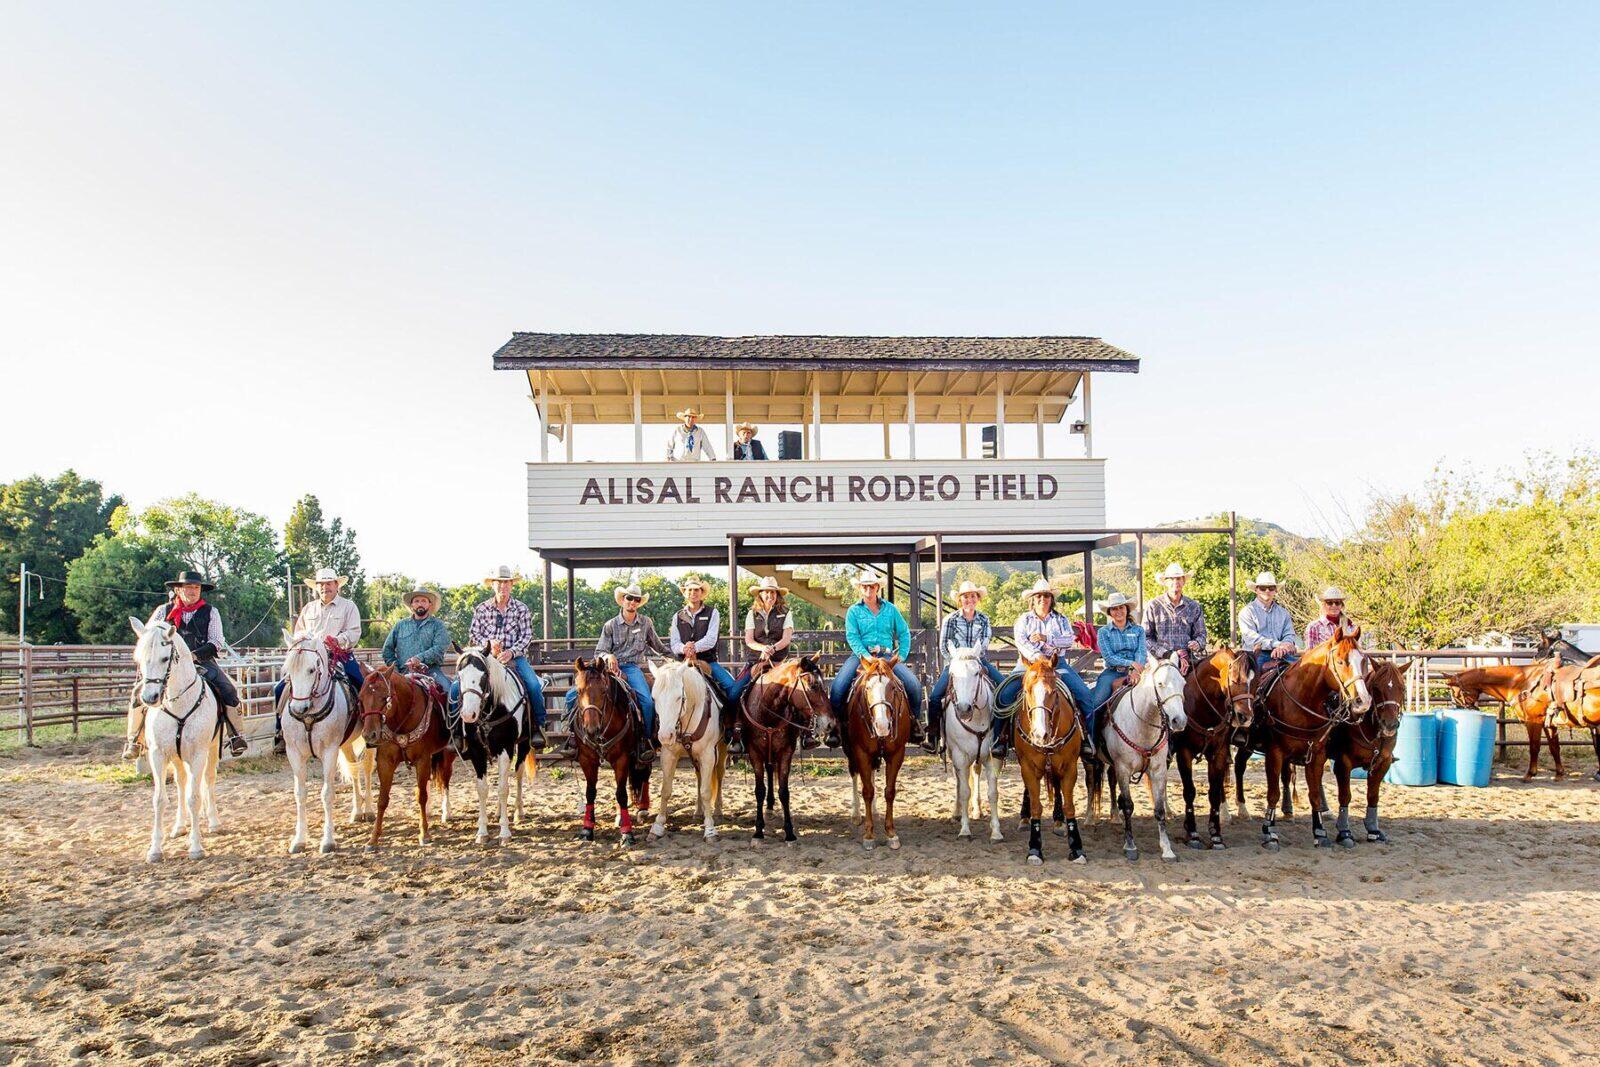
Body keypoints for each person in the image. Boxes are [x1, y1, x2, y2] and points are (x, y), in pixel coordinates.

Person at [127, 570, 249, 759]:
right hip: (165, 663)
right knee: (139, 692)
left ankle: (236, 735)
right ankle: (134, 739)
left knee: (228, 689)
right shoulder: (163, 611)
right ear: (178, 589)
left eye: (196, 587)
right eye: (188, 587)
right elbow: (148, 636)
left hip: (201, 660)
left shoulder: (211, 612)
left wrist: (193, 656)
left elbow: (216, 641)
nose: (193, 591)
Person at [995, 578, 1097, 757]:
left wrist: (1045, 638)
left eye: (1047, 596)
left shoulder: (1061, 619)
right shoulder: (1024, 619)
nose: (1043, 599)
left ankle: (1088, 739)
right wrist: (1038, 656)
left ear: (1051, 599)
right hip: (1028, 665)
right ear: (1033, 599)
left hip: (1057, 665)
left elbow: (1068, 640)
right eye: (1039, 596)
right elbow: (1021, 641)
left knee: (1085, 696)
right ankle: (1000, 739)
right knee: (1004, 695)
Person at [565, 583, 670, 753]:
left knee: (647, 702)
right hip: (607, 669)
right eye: (629, 598)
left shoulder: (646, 623)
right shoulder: (610, 625)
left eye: (636, 599)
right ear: (622, 600)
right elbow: (599, 651)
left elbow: (659, 647)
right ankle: (572, 737)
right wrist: (608, 656)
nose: (632, 602)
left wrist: (675, 658)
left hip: (631, 668)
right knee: (571, 696)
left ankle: (647, 739)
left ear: (639, 602)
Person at [829, 572, 927, 750]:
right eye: (865, 586)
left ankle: (914, 723)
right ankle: (837, 728)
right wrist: (866, 657)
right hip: (862, 656)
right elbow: (852, 637)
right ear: (860, 588)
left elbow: (904, 633)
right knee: (838, 686)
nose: (868, 589)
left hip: (887, 657)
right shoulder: (854, 611)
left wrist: (901, 656)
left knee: (913, 684)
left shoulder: (891, 609)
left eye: (872, 586)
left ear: (877, 588)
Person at [453, 565, 547, 747]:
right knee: (457, 687)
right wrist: (488, 645)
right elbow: (474, 634)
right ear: (493, 585)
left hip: (514, 657)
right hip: (486, 657)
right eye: (499, 582)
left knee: (534, 686)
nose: (503, 586)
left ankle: (537, 726)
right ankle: (458, 731)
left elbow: (526, 635)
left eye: (506, 582)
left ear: (511, 585)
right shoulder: (481, 609)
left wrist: (511, 652)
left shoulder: (521, 608)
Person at [273, 566, 364, 751]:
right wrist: (301, 644)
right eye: (321, 584)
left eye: (329, 583)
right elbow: (298, 632)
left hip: (339, 654)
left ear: (337, 585)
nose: (325, 587)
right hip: (310, 656)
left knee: (360, 683)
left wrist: (336, 641)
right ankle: (280, 732)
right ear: (316, 587)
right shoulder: (308, 609)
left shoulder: (349, 606)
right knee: (280, 687)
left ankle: (367, 726)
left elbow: (354, 632)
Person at [926, 580, 1004, 752]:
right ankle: (933, 736)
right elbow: (944, 645)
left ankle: (1002, 737)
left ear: (978, 599)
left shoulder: (984, 619)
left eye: (973, 596)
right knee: (935, 697)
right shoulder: (950, 619)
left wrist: (973, 658)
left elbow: (984, 642)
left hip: (977, 662)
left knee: (1004, 687)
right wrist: (956, 662)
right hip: (956, 664)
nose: (969, 599)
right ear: (960, 600)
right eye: (966, 597)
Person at [1087, 592, 1147, 745]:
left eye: (1121, 608)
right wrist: (1131, 664)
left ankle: (1164, 743)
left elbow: (1141, 652)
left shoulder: (1138, 630)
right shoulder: (1104, 632)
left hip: (1138, 672)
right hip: (1112, 673)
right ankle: (1092, 742)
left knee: (1157, 697)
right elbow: (1109, 657)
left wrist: (1136, 670)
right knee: (1096, 703)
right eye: (1114, 609)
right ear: (1110, 612)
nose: (1118, 611)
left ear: (1127, 609)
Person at [670, 577, 737, 711]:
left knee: (732, 687)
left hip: (708, 661)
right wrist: (685, 648)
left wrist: (693, 647)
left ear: (701, 592)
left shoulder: (713, 612)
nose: (693, 593)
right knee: (664, 687)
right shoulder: (677, 616)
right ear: (685, 593)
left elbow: (711, 639)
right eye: (689, 590)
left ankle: (732, 722)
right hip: (683, 662)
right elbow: (674, 643)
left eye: (696, 590)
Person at [1143, 562, 1207, 675]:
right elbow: (1145, 638)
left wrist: (1197, 643)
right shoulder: (1153, 605)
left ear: (1183, 581)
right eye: (1171, 579)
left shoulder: (1194, 606)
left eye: (1178, 578)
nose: (1175, 582)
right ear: (1165, 582)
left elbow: (1201, 635)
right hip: (1161, 660)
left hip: (1188, 659)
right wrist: (1166, 653)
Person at [1239, 571, 1298, 692]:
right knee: (1252, 685)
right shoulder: (1247, 611)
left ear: (1276, 591)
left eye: (1271, 588)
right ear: (1256, 590)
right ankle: (1253, 706)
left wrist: (1284, 647)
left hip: (1282, 654)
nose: (1267, 591)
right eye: (1263, 588)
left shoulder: (1283, 613)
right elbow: (1251, 637)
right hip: (1256, 655)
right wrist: (1277, 644)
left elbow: (1289, 634)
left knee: (1304, 670)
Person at [381, 587, 451, 689]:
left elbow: (439, 648)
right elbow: (387, 649)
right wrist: (395, 668)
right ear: (412, 605)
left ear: (429, 604)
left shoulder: (438, 625)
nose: (420, 604)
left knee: (448, 689)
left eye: (424, 601)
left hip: (430, 671)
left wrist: (419, 658)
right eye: (416, 601)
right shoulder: (400, 625)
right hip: (403, 672)